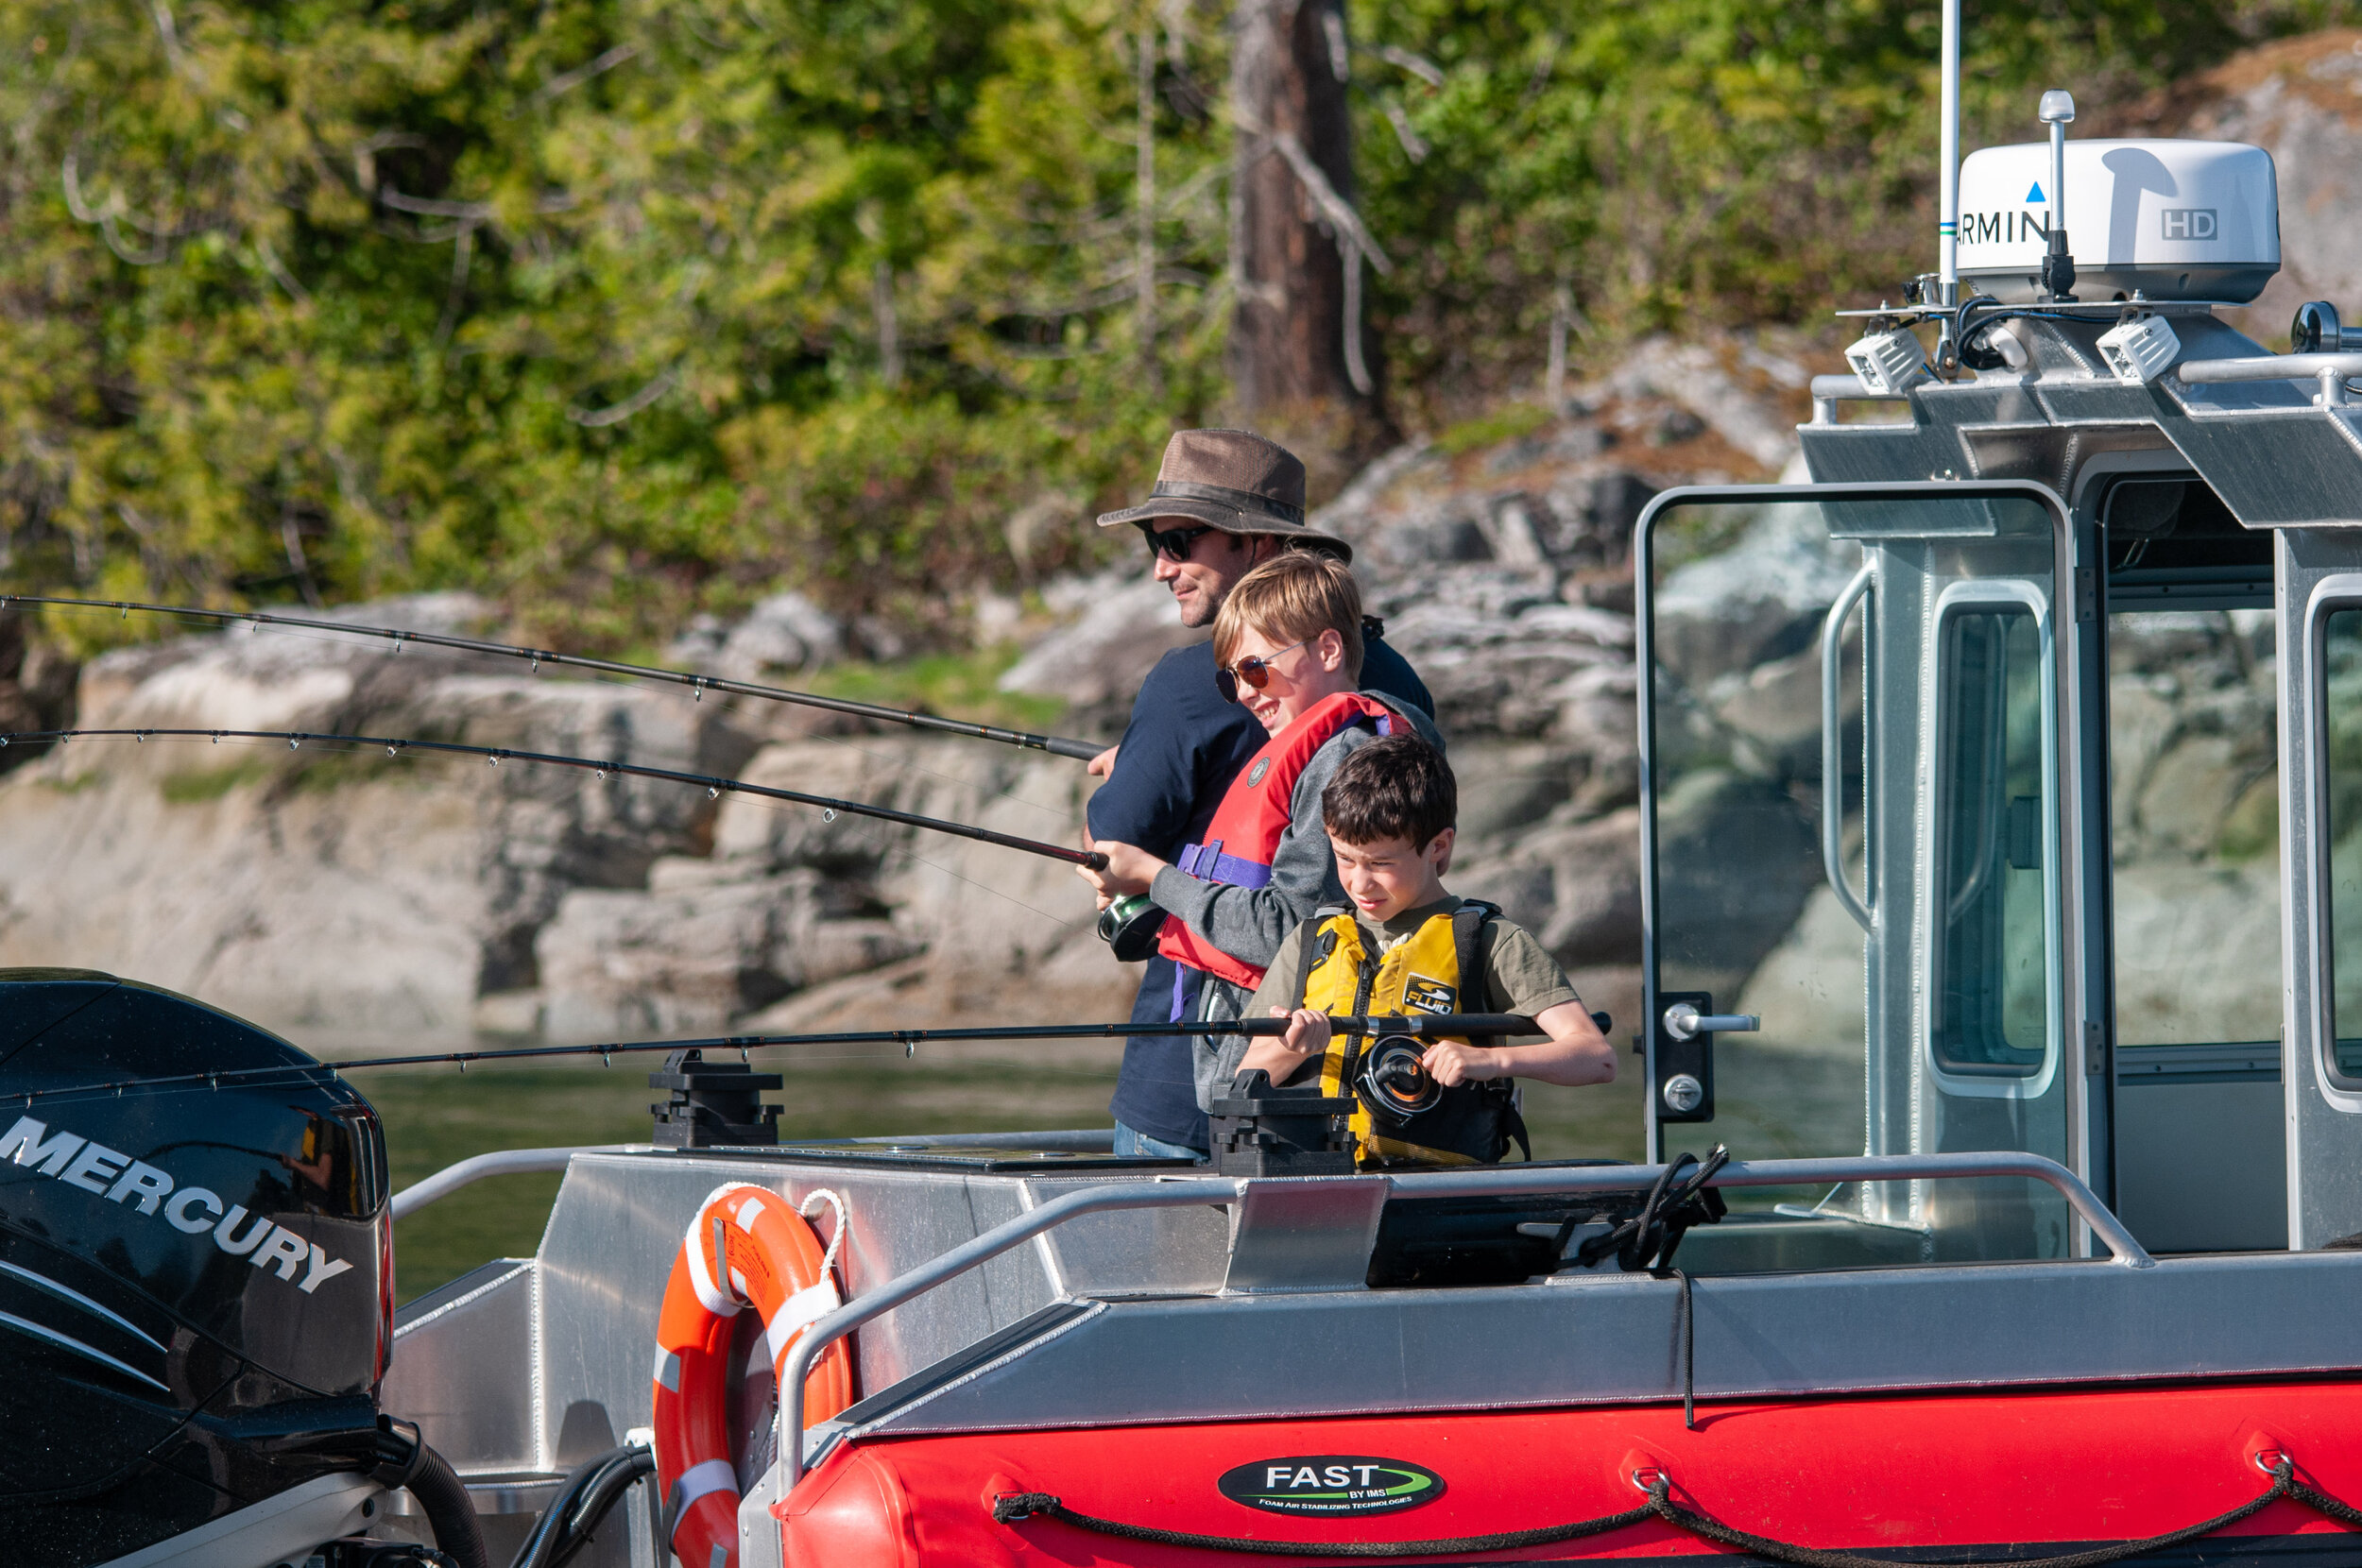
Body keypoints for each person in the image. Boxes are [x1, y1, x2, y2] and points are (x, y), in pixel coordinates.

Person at [1087, 429, 1431, 1160]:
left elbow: (1111, 848)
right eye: (1154, 542)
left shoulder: (1188, 682)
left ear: (1258, 544)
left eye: (1179, 541)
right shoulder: (1399, 683)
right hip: (1353, 1078)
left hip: (1189, 1080)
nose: (1162, 567)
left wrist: (1132, 778)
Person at [1236, 732, 1616, 1167]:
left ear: (1439, 846)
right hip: (1320, 1182)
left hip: (1439, 1189)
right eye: (1345, 859)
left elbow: (1596, 1058)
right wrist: (1293, 1045)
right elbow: (1247, 1077)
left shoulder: (1492, 941)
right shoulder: (1310, 940)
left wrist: (1491, 1060)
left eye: (1381, 863)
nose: (1360, 882)